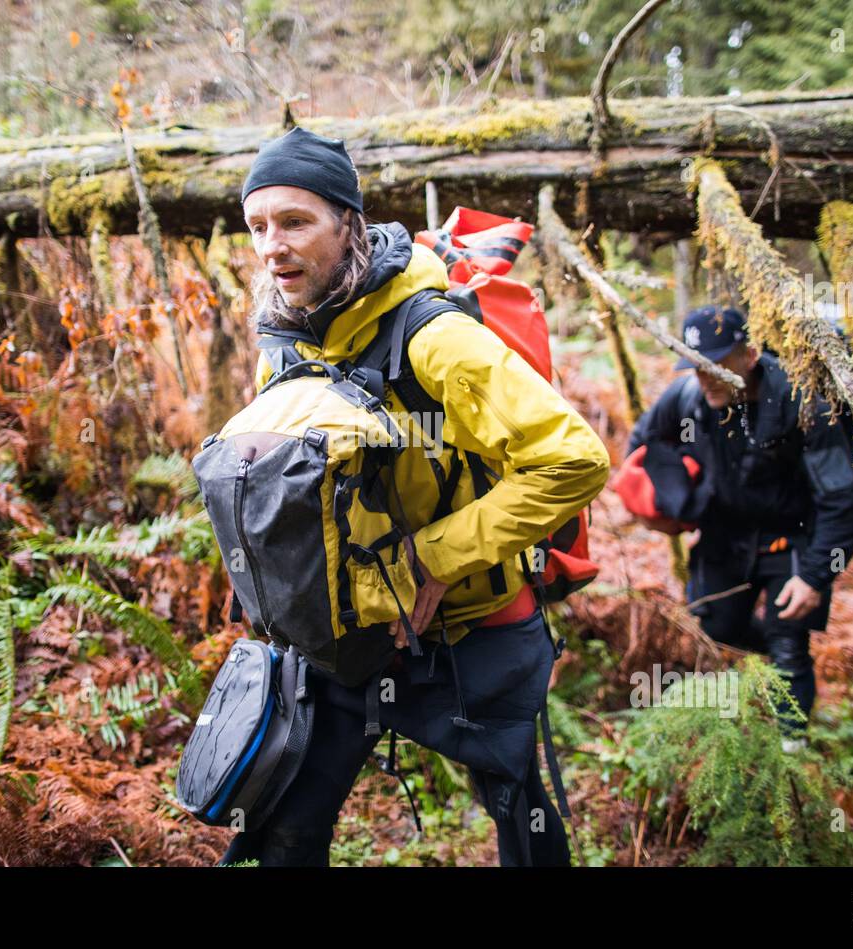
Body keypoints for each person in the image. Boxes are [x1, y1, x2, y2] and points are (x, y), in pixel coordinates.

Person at [217, 127, 611, 866]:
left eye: (296, 221)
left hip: (470, 622)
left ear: (349, 225)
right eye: (258, 226)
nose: (272, 246)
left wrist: (432, 561)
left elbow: (572, 460)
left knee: (517, 805)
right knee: (282, 822)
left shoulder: (431, 334)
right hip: (347, 629)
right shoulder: (291, 339)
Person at [627, 306, 853, 749]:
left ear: (751, 354)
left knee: (788, 643)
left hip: (792, 537)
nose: (706, 377)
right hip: (723, 536)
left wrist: (816, 575)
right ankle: (766, 675)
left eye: (718, 363)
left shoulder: (803, 402)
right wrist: (669, 504)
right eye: (697, 366)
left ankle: (792, 755)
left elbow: (842, 496)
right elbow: (643, 443)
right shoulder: (687, 399)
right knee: (716, 625)